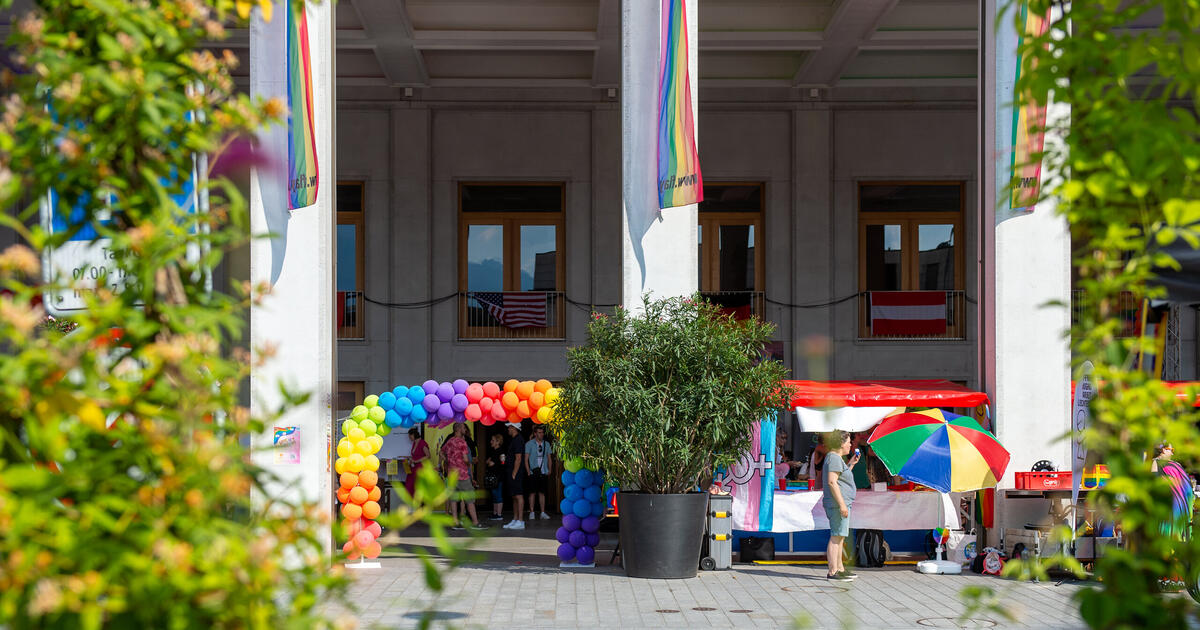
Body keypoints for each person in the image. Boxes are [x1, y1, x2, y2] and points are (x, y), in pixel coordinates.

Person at [823, 430, 860, 581]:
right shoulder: (834, 458)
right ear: (840, 443)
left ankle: (840, 568)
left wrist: (850, 464)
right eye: (848, 442)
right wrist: (842, 505)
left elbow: (840, 478)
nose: (850, 444)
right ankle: (833, 571)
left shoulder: (835, 459)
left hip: (841, 504)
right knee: (836, 537)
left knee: (840, 537)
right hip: (838, 505)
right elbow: (832, 482)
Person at [441, 422, 484, 529]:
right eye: (464, 427)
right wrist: (469, 463)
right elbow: (465, 459)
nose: (465, 429)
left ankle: (455, 522)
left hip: (452, 475)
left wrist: (448, 460)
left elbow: (441, 452)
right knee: (469, 500)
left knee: (454, 499)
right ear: (459, 429)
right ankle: (475, 522)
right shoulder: (462, 443)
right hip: (463, 475)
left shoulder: (449, 442)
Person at [525, 425, 554, 520]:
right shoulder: (529, 444)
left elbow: (549, 458)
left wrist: (549, 469)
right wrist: (528, 471)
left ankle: (542, 512)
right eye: (539, 432)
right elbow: (526, 459)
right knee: (532, 492)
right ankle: (532, 512)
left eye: (542, 432)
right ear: (535, 433)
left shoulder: (547, 444)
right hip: (533, 471)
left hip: (543, 470)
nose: (541, 434)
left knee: (542, 492)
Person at [503, 422, 527, 530]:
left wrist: (514, 472)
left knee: (518, 495)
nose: (508, 429)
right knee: (514, 496)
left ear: (514, 428)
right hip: (511, 471)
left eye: (509, 427)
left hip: (516, 472)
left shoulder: (518, 440)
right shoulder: (514, 439)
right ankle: (515, 518)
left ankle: (521, 521)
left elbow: (518, 458)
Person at [405, 427, 429, 499]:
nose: (409, 438)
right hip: (413, 467)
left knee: (418, 486)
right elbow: (415, 455)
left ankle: (420, 504)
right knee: (409, 485)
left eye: (410, 436)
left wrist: (416, 461)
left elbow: (428, 456)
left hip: (420, 467)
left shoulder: (422, 443)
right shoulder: (414, 443)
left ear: (413, 435)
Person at [485, 433, 506, 520]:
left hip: (498, 476)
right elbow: (487, 462)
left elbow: (501, 463)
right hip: (492, 476)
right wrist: (490, 462)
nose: (491, 442)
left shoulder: (501, 451)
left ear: (498, 442)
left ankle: (499, 514)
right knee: (494, 494)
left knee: (498, 494)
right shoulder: (493, 451)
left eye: (493, 440)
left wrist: (493, 463)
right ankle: (495, 513)